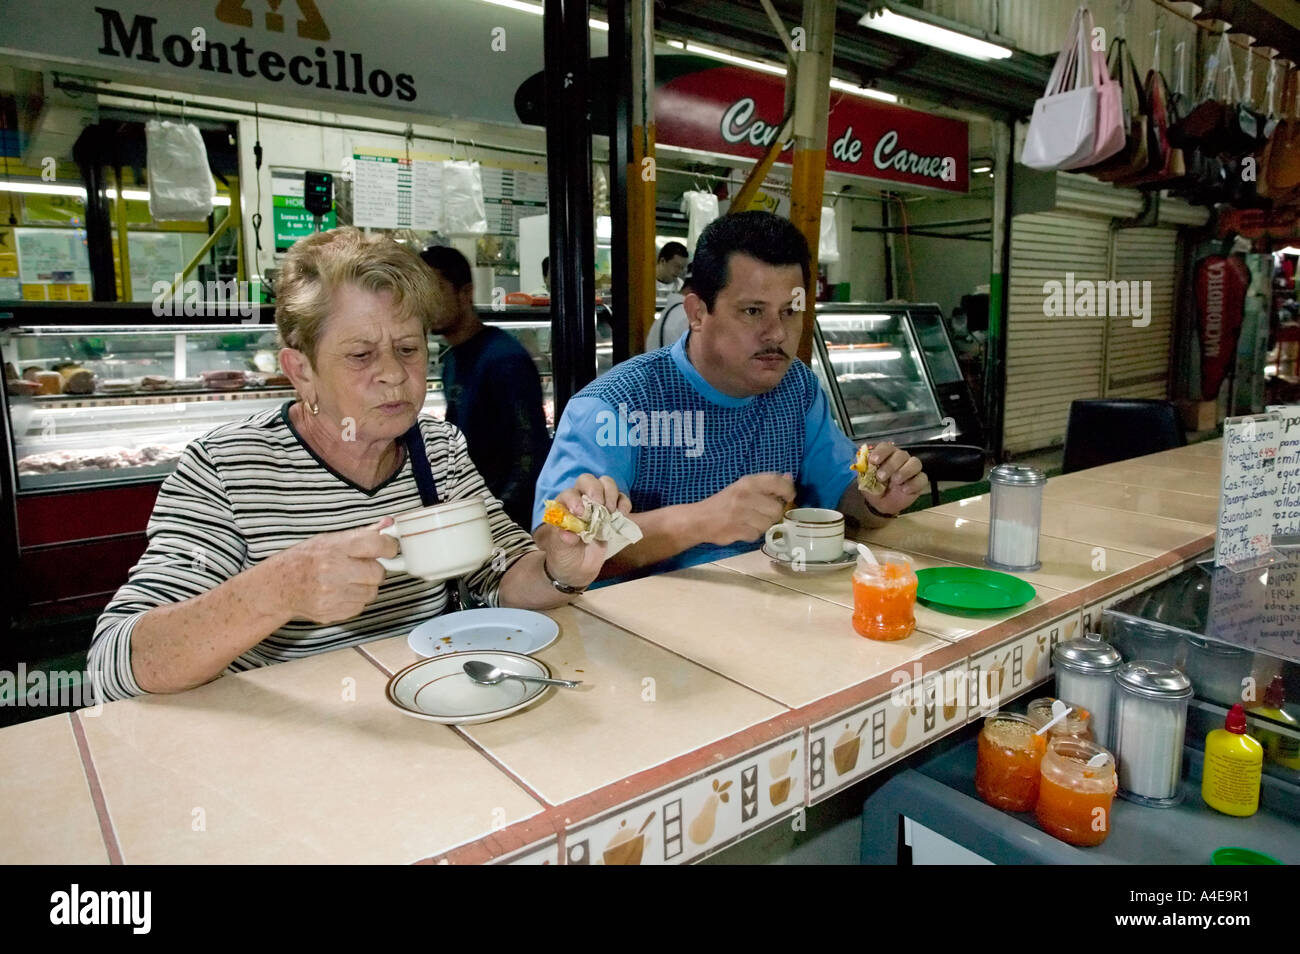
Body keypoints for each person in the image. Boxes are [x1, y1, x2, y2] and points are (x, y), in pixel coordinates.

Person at [91, 227, 626, 701]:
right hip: (294, 744)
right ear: (300, 370)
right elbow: (114, 664)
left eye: (408, 349)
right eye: (360, 354)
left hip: (429, 714)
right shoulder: (227, 468)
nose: (393, 374)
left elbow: (503, 577)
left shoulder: (437, 451)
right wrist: (278, 589)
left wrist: (560, 566)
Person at [532, 211, 928, 582]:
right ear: (697, 312)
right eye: (753, 311)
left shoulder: (798, 390)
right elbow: (554, 552)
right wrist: (702, 520)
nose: (776, 333)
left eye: (790, 311)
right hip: (634, 632)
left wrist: (878, 499)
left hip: (770, 607)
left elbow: (843, 500)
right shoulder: (615, 405)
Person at [420, 245, 551, 528]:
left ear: (465, 293)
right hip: (475, 511)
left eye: (434, 291)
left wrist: (496, 516)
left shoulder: (504, 359)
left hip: (505, 523)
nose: (425, 304)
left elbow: (529, 454)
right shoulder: (452, 360)